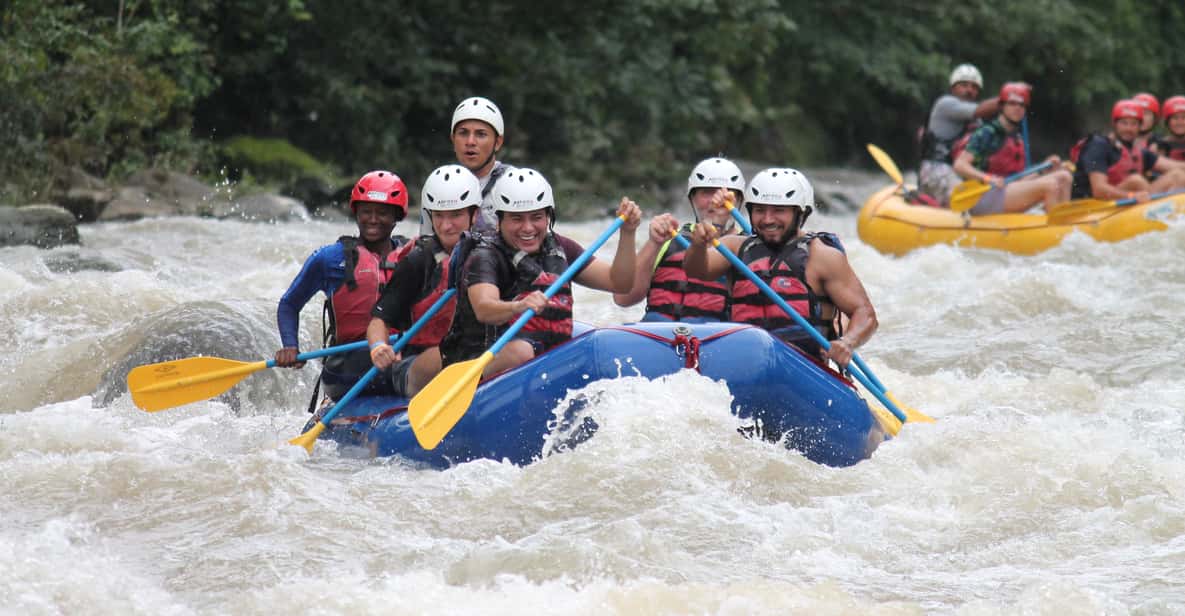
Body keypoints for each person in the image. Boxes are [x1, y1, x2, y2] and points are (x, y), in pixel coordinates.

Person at [439, 168, 642, 377]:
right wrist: (519, 306)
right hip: (479, 361)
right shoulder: (484, 256)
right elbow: (484, 309)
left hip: (541, 356)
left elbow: (619, 283)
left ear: (548, 217)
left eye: (536, 217)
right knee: (522, 351)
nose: (528, 228)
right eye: (517, 219)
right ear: (500, 221)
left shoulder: (561, 247)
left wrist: (628, 233)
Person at [682, 168, 876, 369]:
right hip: (743, 362)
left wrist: (847, 342)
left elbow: (865, 313)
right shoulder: (734, 246)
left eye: (778, 210)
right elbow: (696, 271)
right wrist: (697, 245)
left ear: (801, 213)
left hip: (804, 367)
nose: (767, 219)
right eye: (760, 210)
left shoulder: (822, 256)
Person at [275, 170, 409, 400]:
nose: (373, 219)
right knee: (397, 363)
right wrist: (290, 346)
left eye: (383, 213)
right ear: (356, 212)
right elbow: (289, 304)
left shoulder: (413, 256)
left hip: (400, 354)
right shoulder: (329, 259)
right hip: (347, 365)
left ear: (397, 216)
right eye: (366, 212)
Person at [366, 165, 479, 398]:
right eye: (439, 216)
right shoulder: (418, 261)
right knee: (455, 352)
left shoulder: (489, 254)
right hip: (415, 365)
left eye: (456, 215)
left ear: (474, 215)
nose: (446, 226)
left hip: (474, 356)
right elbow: (379, 321)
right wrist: (378, 347)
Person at [612, 157, 745, 322]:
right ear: (692, 199)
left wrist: (718, 225)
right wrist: (654, 242)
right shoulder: (669, 239)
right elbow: (623, 298)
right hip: (658, 334)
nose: (714, 200)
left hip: (716, 338)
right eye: (706, 192)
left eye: (724, 193)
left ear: (738, 200)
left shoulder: (746, 247)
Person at [951, 82, 1071, 214]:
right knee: (1050, 185)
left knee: (1064, 177)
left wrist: (1043, 168)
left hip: (1006, 191)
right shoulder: (988, 132)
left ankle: (1064, 225)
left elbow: (1019, 180)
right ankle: (1054, 230)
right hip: (982, 195)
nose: (1018, 108)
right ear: (1002, 106)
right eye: (1012, 103)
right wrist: (988, 178)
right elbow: (960, 165)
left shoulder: (1017, 138)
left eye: (1022, 105)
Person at [1070, 99, 1185, 202]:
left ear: (1140, 127)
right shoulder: (1098, 145)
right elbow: (1099, 190)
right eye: (1124, 123)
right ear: (1114, 124)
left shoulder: (1138, 152)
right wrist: (1131, 196)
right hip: (1094, 208)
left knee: (1178, 175)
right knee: (1136, 181)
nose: (1128, 128)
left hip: (1125, 203)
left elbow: (1175, 166)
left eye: (1133, 124)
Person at [918, 63, 1001, 207]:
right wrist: (1009, 98)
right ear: (953, 88)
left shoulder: (978, 121)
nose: (969, 90)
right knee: (969, 201)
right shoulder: (945, 104)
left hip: (962, 173)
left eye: (974, 87)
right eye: (964, 85)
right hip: (937, 170)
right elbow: (980, 109)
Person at [443, 96, 515, 236]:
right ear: (453, 140)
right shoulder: (438, 184)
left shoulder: (515, 183)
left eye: (481, 134)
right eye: (463, 133)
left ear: (498, 142)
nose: (470, 141)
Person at [1157, 96, 1185, 161]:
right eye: (1175, 118)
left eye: (1184, 118)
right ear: (1167, 122)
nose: (1180, 122)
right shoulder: (1159, 145)